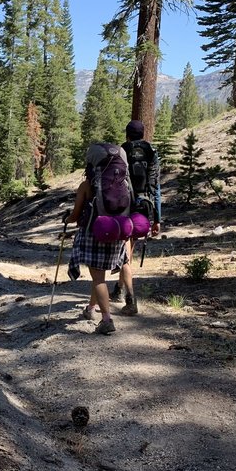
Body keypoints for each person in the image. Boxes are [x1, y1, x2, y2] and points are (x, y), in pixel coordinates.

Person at [64, 146, 130, 335]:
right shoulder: (124, 183)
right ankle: (91, 308)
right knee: (99, 275)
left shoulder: (87, 185)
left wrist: (67, 219)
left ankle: (107, 319)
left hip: (94, 234)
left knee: (98, 278)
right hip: (116, 233)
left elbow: (75, 216)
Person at [112, 119, 161, 315]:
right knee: (129, 248)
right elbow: (156, 188)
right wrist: (157, 219)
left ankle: (130, 299)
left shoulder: (122, 150)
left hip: (125, 206)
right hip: (144, 207)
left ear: (127, 135)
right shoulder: (151, 151)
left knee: (125, 251)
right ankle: (118, 289)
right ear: (143, 134)